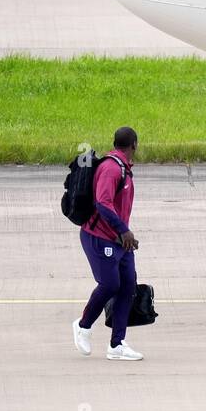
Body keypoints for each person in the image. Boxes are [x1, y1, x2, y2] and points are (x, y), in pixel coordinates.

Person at [72, 126, 143, 361]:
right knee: (111, 284)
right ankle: (83, 326)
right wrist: (124, 230)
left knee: (128, 284)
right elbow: (103, 203)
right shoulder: (112, 168)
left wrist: (124, 234)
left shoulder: (124, 168)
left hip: (119, 240)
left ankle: (117, 344)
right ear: (134, 145)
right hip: (99, 237)